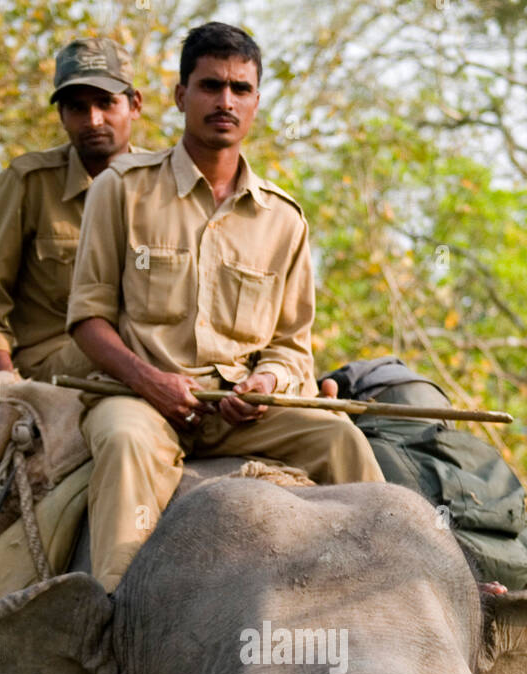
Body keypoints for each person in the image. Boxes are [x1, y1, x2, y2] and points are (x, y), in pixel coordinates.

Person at [66, 21, 384, 593]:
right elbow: (87, 319)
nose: (225, 101)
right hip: (142, 405)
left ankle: (399, 577)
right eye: (211, 86)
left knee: (340, 437)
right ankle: (109, 614)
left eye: (241, 89)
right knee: (123, 443)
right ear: (180, 94)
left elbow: (291, 345)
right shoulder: (122, 188)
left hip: (239, 413)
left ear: (257, 101)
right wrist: (151, 381)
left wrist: (266, 384)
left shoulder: (283, 219)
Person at [0, 37, 145, 390]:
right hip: (58, 360)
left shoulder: (161, 185)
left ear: (134, 105)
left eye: (106, 103)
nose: (93, 120)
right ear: (61, 115)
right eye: (77, 108)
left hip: (141, 352)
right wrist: (2, 378)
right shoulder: (29, 182)